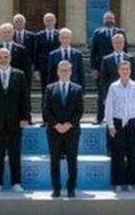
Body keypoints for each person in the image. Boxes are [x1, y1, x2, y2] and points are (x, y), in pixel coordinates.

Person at [0, 48, 30, 192]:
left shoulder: (20, 75)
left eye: (5, 57)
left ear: (10, 58)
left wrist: (25, 117)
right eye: (0, 58)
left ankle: (16, 182)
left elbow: (24, 98)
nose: (3, 60)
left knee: (15, 153)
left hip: (15, 120)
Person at [44, 61, 84, 198]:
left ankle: (71, 188)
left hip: (72, 131)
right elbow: (46, 110)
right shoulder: (50, 88)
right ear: (57, 72)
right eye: (62, 70)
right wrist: (56, 125)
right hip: (54, 131)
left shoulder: (77, 89)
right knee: (54, 161)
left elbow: (79, 111)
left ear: (71, 72)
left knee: (72, 161)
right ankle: (56, 188)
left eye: (67, 70)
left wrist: (68, 124)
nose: (64, 73)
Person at [104, 60, 135, 191]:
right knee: (117, 153)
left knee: (132, 152)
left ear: (130, 71)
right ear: (118, 71)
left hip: (132, 121)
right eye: (122, 69)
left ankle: (131, 182)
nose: (125, 71)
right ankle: (118, 182)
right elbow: (109, 106)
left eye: (127, 69)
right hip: (117, 122)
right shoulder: (113, 86)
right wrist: (110, 125)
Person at [89, 12, 124, 122]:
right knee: (102, 93)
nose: (109, 20)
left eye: (111, 18)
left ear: (114, 20)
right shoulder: (97, 33)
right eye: (107, 18)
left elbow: (125, 50)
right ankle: (100, 117)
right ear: (103, 20)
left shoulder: (120, 32)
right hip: (101, 68)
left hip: (117, 68)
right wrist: (93, 68)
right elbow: (93, 52)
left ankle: (118, 116)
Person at [99, 32, 130, 125]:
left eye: (120, 42)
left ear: (124, 43)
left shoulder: (131, 59)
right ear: (112, 44)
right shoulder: (106, 60)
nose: (118, 45)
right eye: (116, 43)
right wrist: (104, 96)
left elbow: (134, 78)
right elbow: (103, 80)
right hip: (112, 93)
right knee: (112, 120)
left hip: (127, 93)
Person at [33, 13, 61, 91]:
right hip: (44, 67)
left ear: (55, 21)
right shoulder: (39, 35)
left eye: (51, 20)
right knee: (44, 89)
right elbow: (36, 53)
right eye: (47, 20)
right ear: (44, 22)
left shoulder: (59, 35)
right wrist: (36, 69)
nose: (49, 22)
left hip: (57, 66)